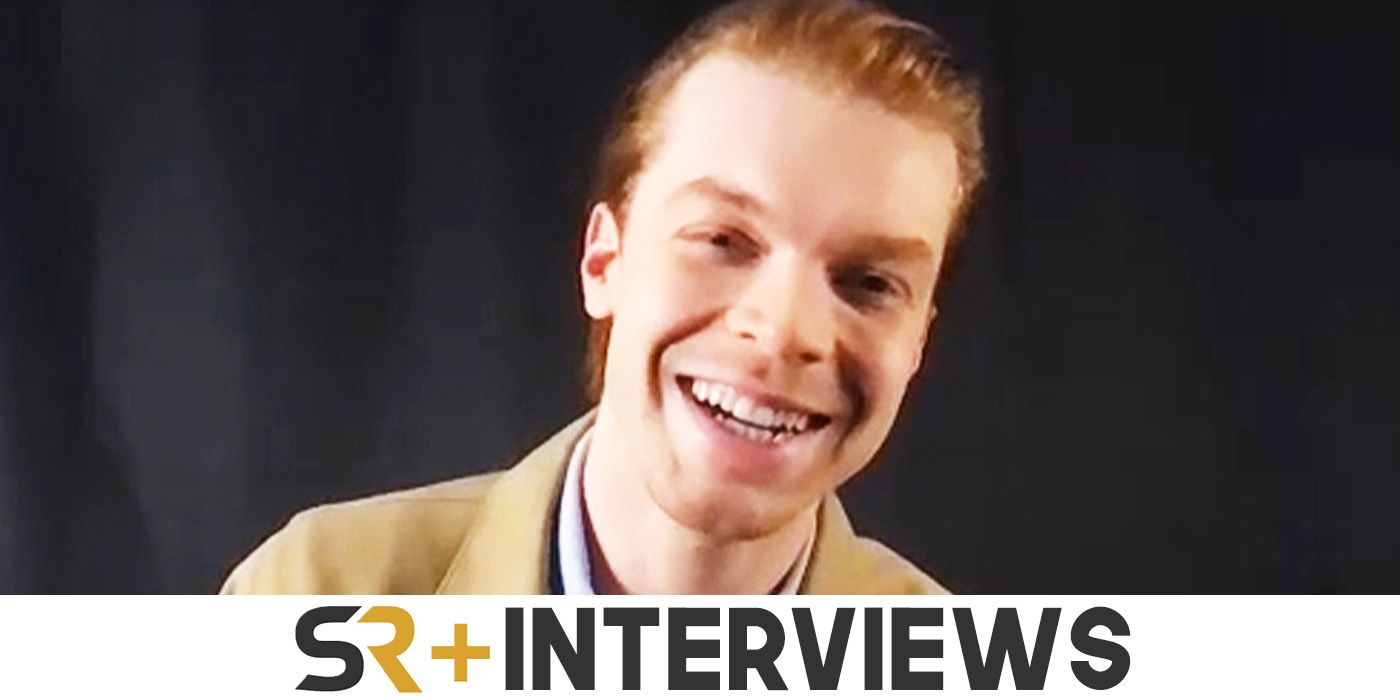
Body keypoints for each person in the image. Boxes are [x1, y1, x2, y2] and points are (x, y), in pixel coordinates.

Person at [221, 0, 984, 595]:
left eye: (868, 283)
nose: (786, 329)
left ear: (917, 341)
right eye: (723, 240)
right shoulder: (312, 595)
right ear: (604, 261)